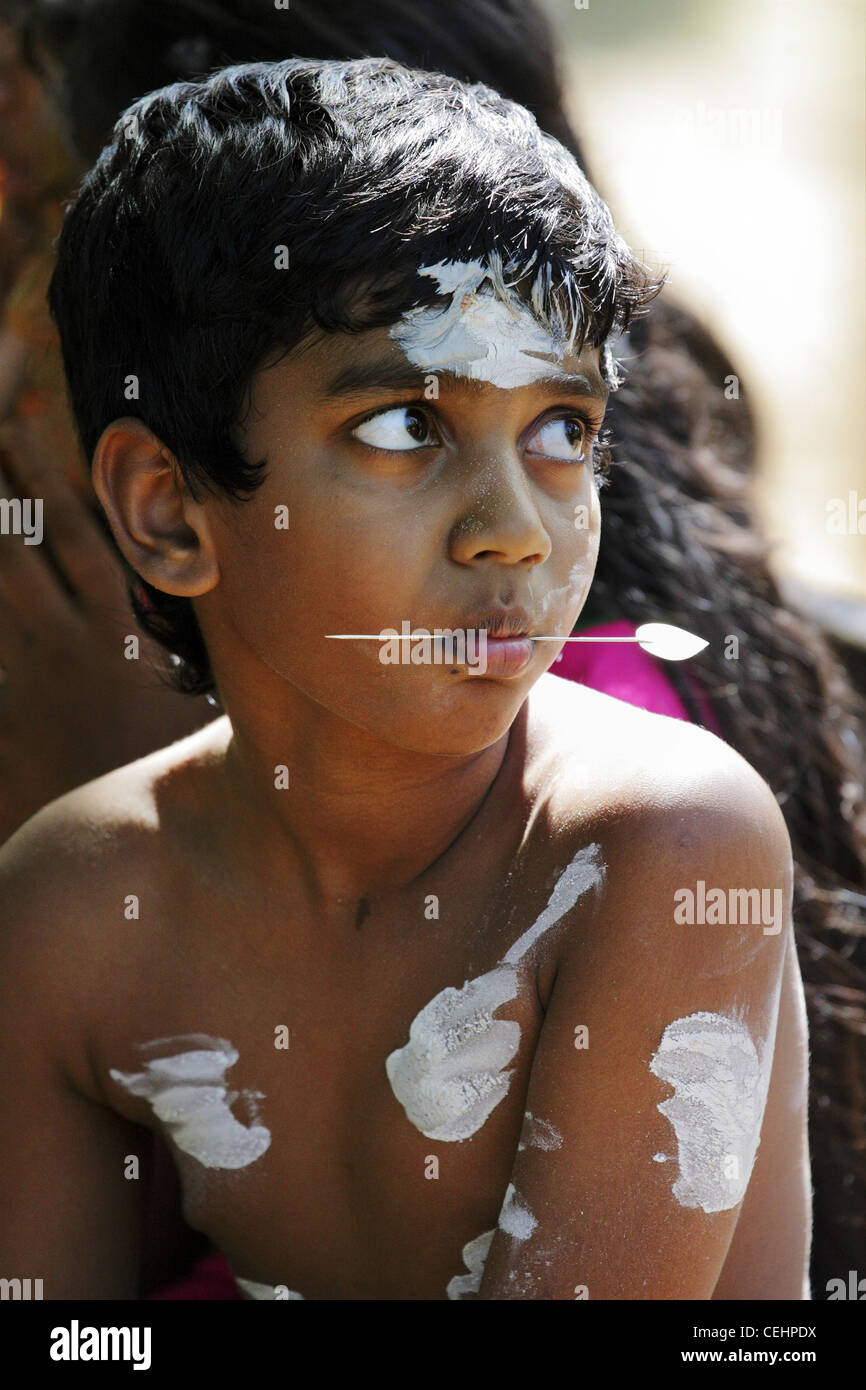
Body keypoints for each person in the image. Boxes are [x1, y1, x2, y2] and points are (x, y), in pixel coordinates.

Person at [7, 0, 865, 1292]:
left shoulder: (647, 845)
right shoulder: (74, 905)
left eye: (563, 430)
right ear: (169, 510)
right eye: (407, 427)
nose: (514, 532)